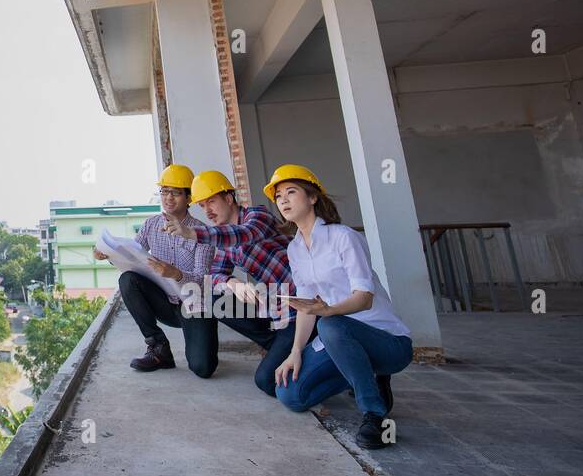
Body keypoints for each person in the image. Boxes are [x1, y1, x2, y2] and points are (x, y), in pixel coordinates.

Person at [266, 164, 413, 450]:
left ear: (312, 198)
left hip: (387, 341)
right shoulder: (294, 249)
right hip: (339, 339)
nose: (283, 200)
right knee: (290, 394)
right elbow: (307, 307)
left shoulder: (343, 237)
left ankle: (374, 413)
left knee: (330, 325)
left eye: (291, 192)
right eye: (278, 196)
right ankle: (362, 377)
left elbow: (364, 298)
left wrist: (329, 311)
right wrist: (295, 352)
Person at [158, 169, 299, 395]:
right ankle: (275, 344)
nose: (208, 211)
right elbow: (214, 275)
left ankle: (310, 354)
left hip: (300, 306)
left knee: (266, 381)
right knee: (214, 297)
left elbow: (243, 234)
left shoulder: (257, 217)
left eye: (211, 202)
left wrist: (193, 233)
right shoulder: (223, 237)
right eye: (202, 206)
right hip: (275, 308)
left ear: (228, 198)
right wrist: (233, 283)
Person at [94, 164, 216, 374]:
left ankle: (204, 340)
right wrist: (109, 255)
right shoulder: (150, 225)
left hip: (193, 305)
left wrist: (176, 274)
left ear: (189, 198)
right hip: (164, 303)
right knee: (128, 280)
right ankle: (159, 348)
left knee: (203, 369)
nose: (168, 197)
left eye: (176, 192)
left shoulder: (202, 233)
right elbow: (132, 256)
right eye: (164, 191)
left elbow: (202, 283)